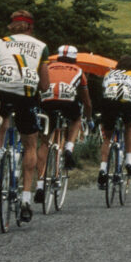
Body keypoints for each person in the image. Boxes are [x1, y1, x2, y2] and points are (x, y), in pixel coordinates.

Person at [0, 10, 47, 223]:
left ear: (11, 26)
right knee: (30, 145)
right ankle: (25, 199)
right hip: (27, 92)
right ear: (30, 28)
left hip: (1, 88)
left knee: (2, 117)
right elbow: (45, 84)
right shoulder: (41, 46)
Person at [37, 45, 89, 174]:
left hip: (47, 102)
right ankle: (69, 148)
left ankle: (39, 183)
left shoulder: (47, 67)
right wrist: (88, 117)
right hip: (68, 103)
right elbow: (87, 101)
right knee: (76, 118)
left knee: (44, 142)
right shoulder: (78, 70)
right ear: (74, 58)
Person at [96, 55, 131, 188]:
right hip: (125, 101)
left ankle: (103, 168)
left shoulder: (108, 73)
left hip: (109, 101)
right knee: (129, 127)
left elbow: (104, 91)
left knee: (107, 137)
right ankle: (129, 161)